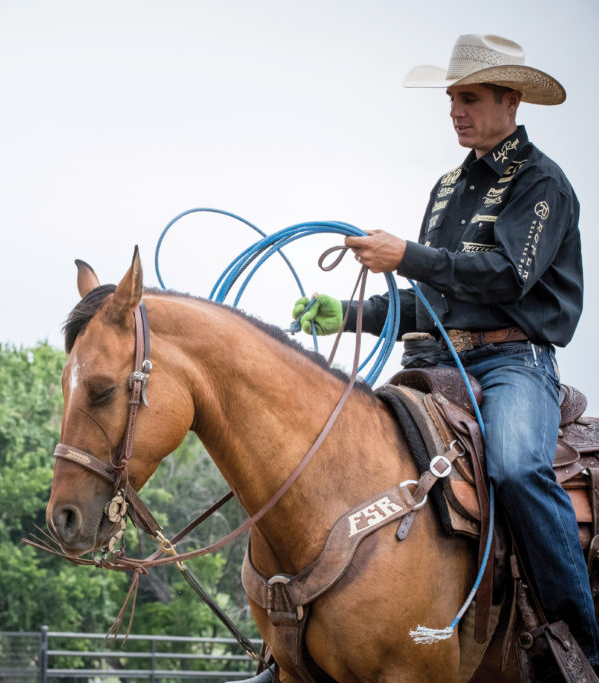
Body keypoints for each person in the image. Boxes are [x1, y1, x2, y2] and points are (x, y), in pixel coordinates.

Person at [292, 34, 598, 669]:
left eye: (472, 98)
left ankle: (578, 643)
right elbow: (434, 299)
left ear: (511, 101)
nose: (456, 111)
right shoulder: (447, 187)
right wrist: (350, 314)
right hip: (437, 362)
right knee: (350, 453)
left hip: (515, 362)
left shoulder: (541, 181)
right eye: (452, 98)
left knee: (517, 468)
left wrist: (406, 254)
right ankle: (301, 648)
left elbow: (506, 277)